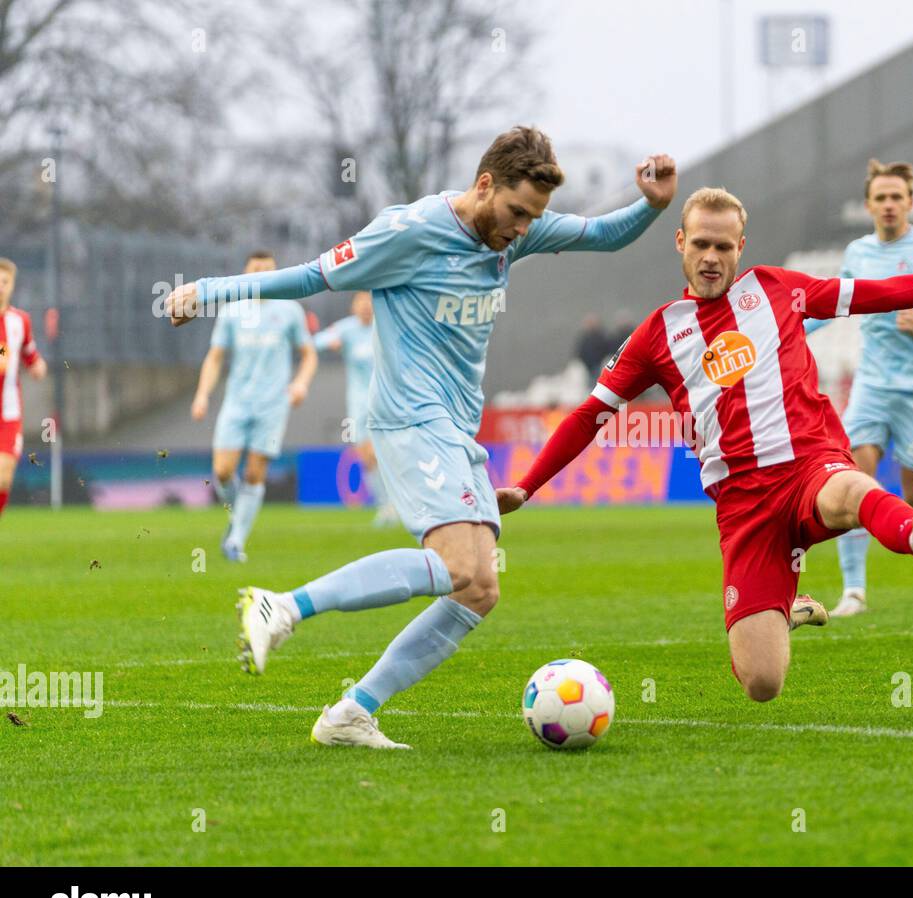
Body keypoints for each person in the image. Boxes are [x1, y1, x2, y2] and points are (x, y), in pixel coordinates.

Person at [167, 126, 677, 748]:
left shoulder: (513, 234)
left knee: (480, 589)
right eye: (517, 212)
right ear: (485, 184)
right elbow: (308, 278)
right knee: (457, 565)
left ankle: (352, 711)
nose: (522, 228)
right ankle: (284, 607)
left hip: (456, 430)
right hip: (409, 419)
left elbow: (600, 235)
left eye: (532, 218)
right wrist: (212, 292)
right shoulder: (405, 232)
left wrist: (651, 203)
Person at [496, 187, 913, 702]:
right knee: (761, 683)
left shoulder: (779, 290)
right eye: (701, 244)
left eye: (723, 246)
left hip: (808, 464)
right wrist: (526, 485)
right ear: (681, 243)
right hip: (744, 507)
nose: (712, 257)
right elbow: (592, 414)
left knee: (849, 493)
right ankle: (785, 606)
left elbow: (878, 295)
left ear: (740, 248)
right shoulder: (658, 335)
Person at [805, 159, 913, 618]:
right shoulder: (857, 253)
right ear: (868, 205)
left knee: (911, 497)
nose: (888, 205)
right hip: (871, 385)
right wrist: (794, 328)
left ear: (910, 203)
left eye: (896, 198)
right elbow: (835, 304)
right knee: (853, 484)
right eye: (880, 198)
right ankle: (854, 592)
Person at [190, 250, 317, 562]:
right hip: (237, 402)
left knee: (254, 473)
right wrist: (202, 394)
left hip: (273, 405)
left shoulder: (290, 310)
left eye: (268, 270)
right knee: (222, 471)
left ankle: (236, 540)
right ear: (245, 274)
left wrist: (300, 383)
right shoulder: (232, 310)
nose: (262, 274)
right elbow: (216, 357)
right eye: (256, 269)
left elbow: (309, 354)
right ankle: (238, 517)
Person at [313, 291, 396, 526]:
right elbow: (314, 342)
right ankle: (386, 503)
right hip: (359, 402)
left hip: (388, 401)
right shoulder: (347, 329)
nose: (366, 308)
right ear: (353, 307)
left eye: (369, 304)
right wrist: (331, 342)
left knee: (385, 453)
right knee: (366, 455)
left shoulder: (385, 326)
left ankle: (397, 502)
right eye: (361, 304)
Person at [0, 258, 48, 520]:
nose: (0, 287)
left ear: (12, 286)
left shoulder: (20, 321)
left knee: (4, 477)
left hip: (8, 412)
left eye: (5, 282)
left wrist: (38, 365)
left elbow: (29, 354)